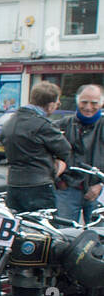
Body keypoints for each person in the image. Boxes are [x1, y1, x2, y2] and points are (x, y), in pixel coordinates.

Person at [1, 81, 72, 214]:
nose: (57, 106)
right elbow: (65, 150)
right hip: (39, 186)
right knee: (43, 231)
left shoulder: (9, 122)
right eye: (57, 103)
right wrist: (57, 167)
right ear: (50, 105)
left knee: (19, 228)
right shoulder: (43, 125)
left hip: (13, 184)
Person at [55, 83, 103, 223]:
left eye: (94, 103)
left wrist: (101, 185)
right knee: (64, 237)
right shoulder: (61, 125)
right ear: (77, 101)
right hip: (66, 190)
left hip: (98, 192)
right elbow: (47, 158)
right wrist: (59, 181)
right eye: (84, 102)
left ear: (101, 104)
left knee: (99, 238)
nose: (88, 107)